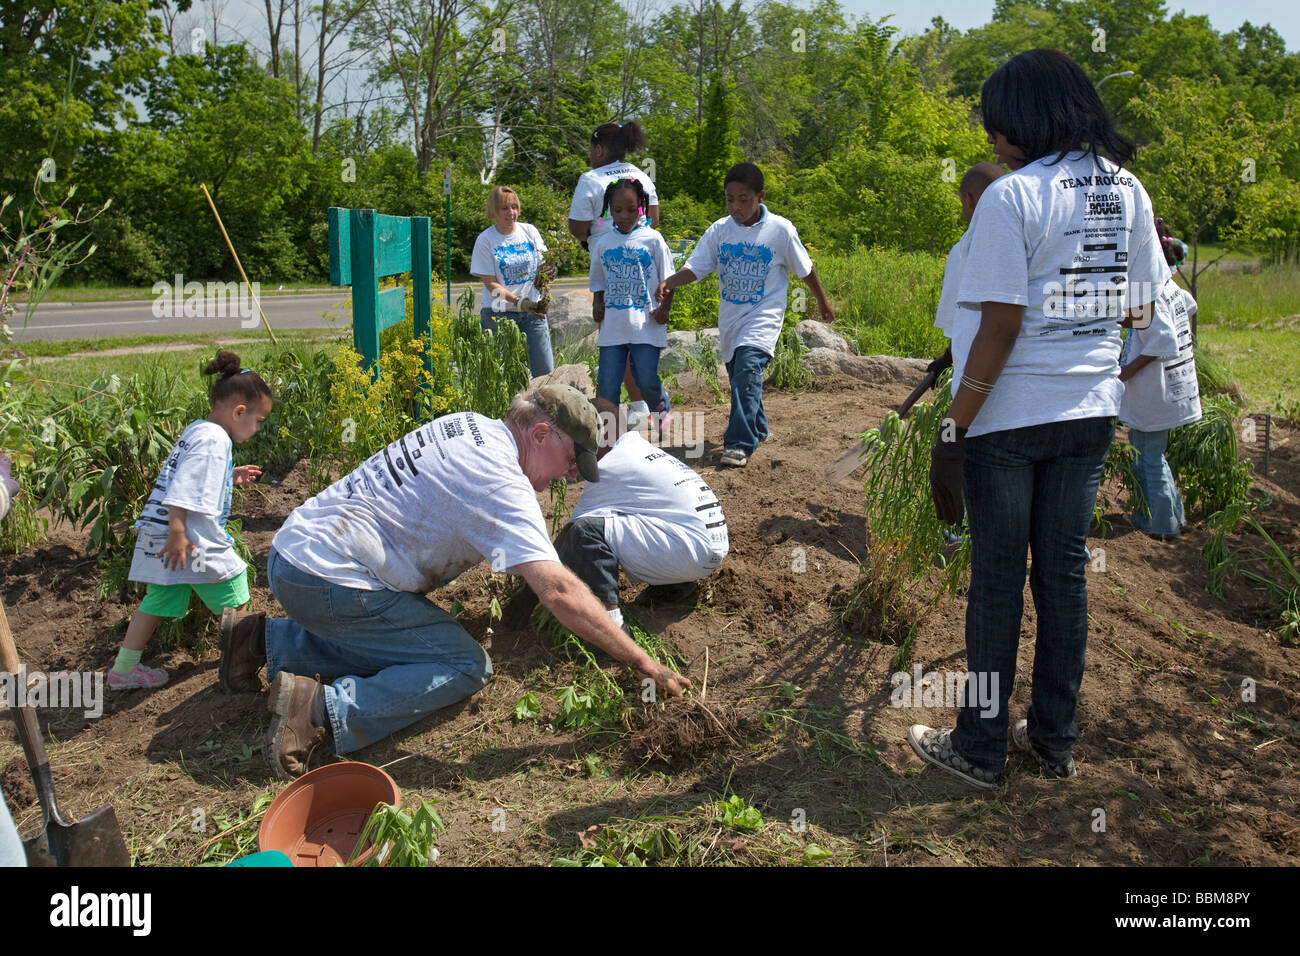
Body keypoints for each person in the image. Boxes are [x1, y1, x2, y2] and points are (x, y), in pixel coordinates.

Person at [913, 48, 1167, 788]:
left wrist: (954, 425)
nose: (994, 141)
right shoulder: (1127, 190)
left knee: (996, 581)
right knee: (1063, 579)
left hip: (1007, 422)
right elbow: (1146, 316)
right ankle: (1053, 738)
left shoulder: (1012, 197)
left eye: (999, 125)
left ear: (1028, 117)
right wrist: (1091, 372)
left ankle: (979, 750)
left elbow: (999, 324)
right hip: (1088, 418)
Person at [215, 384, 690, 779]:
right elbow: (558, 590)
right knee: (462, 664)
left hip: (295, 555)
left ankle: (259, 640)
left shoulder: (470, 424)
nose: (570, 475)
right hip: (329, 583)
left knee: (400, 643)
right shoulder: (502, 481)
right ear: (541, 432)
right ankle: (318, 708)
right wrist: (643, 661)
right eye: (570, 459)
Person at [109, 351, 270, 691]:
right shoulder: (215, 441)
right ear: (239, 411)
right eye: (257, 421)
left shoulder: (199, 430)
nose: (256, 428)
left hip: (159, 532)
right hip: (184, 538)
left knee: (155, 601)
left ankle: (123, 670)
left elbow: (189, 473)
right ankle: (239, 665)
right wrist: (180, 531)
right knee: (236, 588)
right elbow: (183, 487)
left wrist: (229, 474)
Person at [656, 162, 834, 468]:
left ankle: (739, 443)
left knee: (747, 370)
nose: (736, 206)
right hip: (731, 321)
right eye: (730, 199)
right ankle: (759, 428)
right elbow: (696, 268)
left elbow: (806, 269)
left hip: (763, 318)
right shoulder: (720, 231)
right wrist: (672, 280)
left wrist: (823, 302)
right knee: (742, 377)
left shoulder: (779, 230)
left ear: (760, 196)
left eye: (744, 199)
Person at [510, 398, 728, 627]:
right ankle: (675, 584)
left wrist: (530, 593)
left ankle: (610, 625)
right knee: (614, 522)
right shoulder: (639, 449)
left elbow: (571, 534)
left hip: (690, 550)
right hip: (708, 549)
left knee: (585, 533)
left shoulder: (609, 465)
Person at [569, 121, 660, 426]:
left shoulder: (590, 179)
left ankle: (624, 410)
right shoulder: (642, 176)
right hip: (643, 262)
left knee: (615, 332)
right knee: (636, 331)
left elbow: (578, 228)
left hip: (610, 265)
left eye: (591, 150)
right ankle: (640, 404)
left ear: (599, 149)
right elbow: (654, 219)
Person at [1119, 216, 1201, 538]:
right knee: (1153, 455)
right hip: (1174, 389)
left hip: (1156, 392)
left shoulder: (1145, 287)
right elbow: (1187, 306)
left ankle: (1160, 525)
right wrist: (1131, 322)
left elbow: (1162, 339)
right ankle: (1172, 516)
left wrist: (1125, 372)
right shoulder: (1166, 283)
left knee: (1148, 458)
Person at [589, 178, 675, 430]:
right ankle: (609, 437)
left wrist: (665, 309)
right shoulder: (604, 243)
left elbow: (669, 279)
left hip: (645, 324)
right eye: (617, 210)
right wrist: (597, 303)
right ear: (609, 210)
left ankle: (660, 408)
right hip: (613, 328)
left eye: (631, 209)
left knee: (645, 378)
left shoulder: (653, 240)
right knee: (607, 385)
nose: (624, 216)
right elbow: (598, 282)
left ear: (642, 207)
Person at [471, 185, 554, 377]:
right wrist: (518, 302)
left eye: (514, 207)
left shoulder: (529, 231)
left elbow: (543, 267)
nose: (511, 213)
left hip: (533, 312)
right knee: (503, 376)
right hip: (499, 314)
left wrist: (548, 278)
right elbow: (490, 284)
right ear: (494, 211)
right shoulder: (486, 240)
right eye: (505, 208)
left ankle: (540, 408)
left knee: (544, 373)